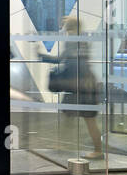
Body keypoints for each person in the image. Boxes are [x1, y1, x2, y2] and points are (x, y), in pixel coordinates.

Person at [44, 16, 103, 160]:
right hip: (83, 85)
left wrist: (41, 55)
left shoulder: (75, 42)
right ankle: (62, 144)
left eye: (67, 28)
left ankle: (98, 150)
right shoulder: (81, 41)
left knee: (88, 120)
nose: (66, 32)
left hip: (81, 87)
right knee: (68, 115)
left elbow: (64, 60)